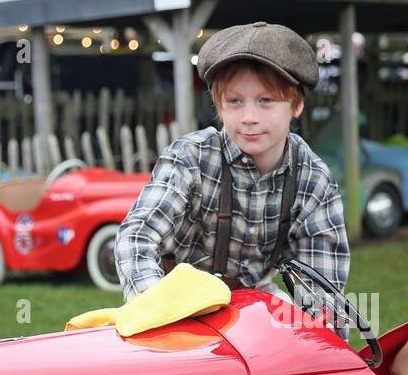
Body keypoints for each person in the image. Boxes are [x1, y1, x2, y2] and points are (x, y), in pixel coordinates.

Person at [115, 21, 350, 321]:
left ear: (296, 104)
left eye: (265, 100)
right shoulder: (190, 158)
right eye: (235, 101)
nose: (249, 117)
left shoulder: (313, 180)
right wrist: (158, 311)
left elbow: (323, 291)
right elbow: (137, 237)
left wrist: (318, 343)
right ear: (219, 105)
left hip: (253, 311)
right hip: (174, 307)